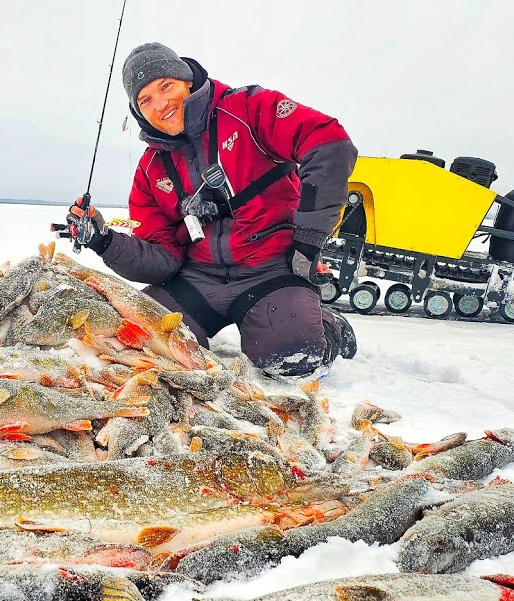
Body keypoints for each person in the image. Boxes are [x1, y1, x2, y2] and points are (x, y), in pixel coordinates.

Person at [60, 42, 357, 379]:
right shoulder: (150, 169)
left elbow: (330, 144)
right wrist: (104, 240)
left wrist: (309, 240)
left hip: (270, 270)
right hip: (197, 279)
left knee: (292, 359)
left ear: (186, 80)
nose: (160, 104)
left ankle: (328, 325)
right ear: (138, 111)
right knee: (135, 342)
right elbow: (162, 260)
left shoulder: (249, 107)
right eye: (145, 100)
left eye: (165, 86)